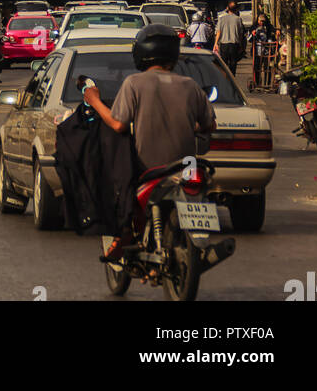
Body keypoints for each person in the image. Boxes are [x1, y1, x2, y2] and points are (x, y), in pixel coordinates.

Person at [81, 24, 216, 260]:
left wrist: (94, 101)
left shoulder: (134, 83)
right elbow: (209, 125)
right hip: (186, 167)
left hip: (148, 169)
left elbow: (118, 124)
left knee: (116, 190)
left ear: (141, 53)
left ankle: (124, 235)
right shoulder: (191, 86)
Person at [214, 0, 246, 76]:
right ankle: (232, 81)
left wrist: (216, 43)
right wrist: (241, 45)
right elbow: (240, 34)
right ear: (236, 9)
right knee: (233, 64)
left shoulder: (221, 19)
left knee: (224, 65)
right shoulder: (238, 19)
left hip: (224, 45)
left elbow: (218, 32)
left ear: (227, 8)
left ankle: (225, 81)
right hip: (234, 45)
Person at [250, 13, 275, 89]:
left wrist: (277, 31)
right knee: (257, 68)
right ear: (257, 21)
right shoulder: (254, 27)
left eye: (263, 21)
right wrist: (253, 33)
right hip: (257, 51)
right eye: (260, 21)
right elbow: (249, 39)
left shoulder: (268, 27)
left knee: (267, 68)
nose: (262, 23)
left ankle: (267, 84)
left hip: (267, 51)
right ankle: (257, 83)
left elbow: (273, 31)